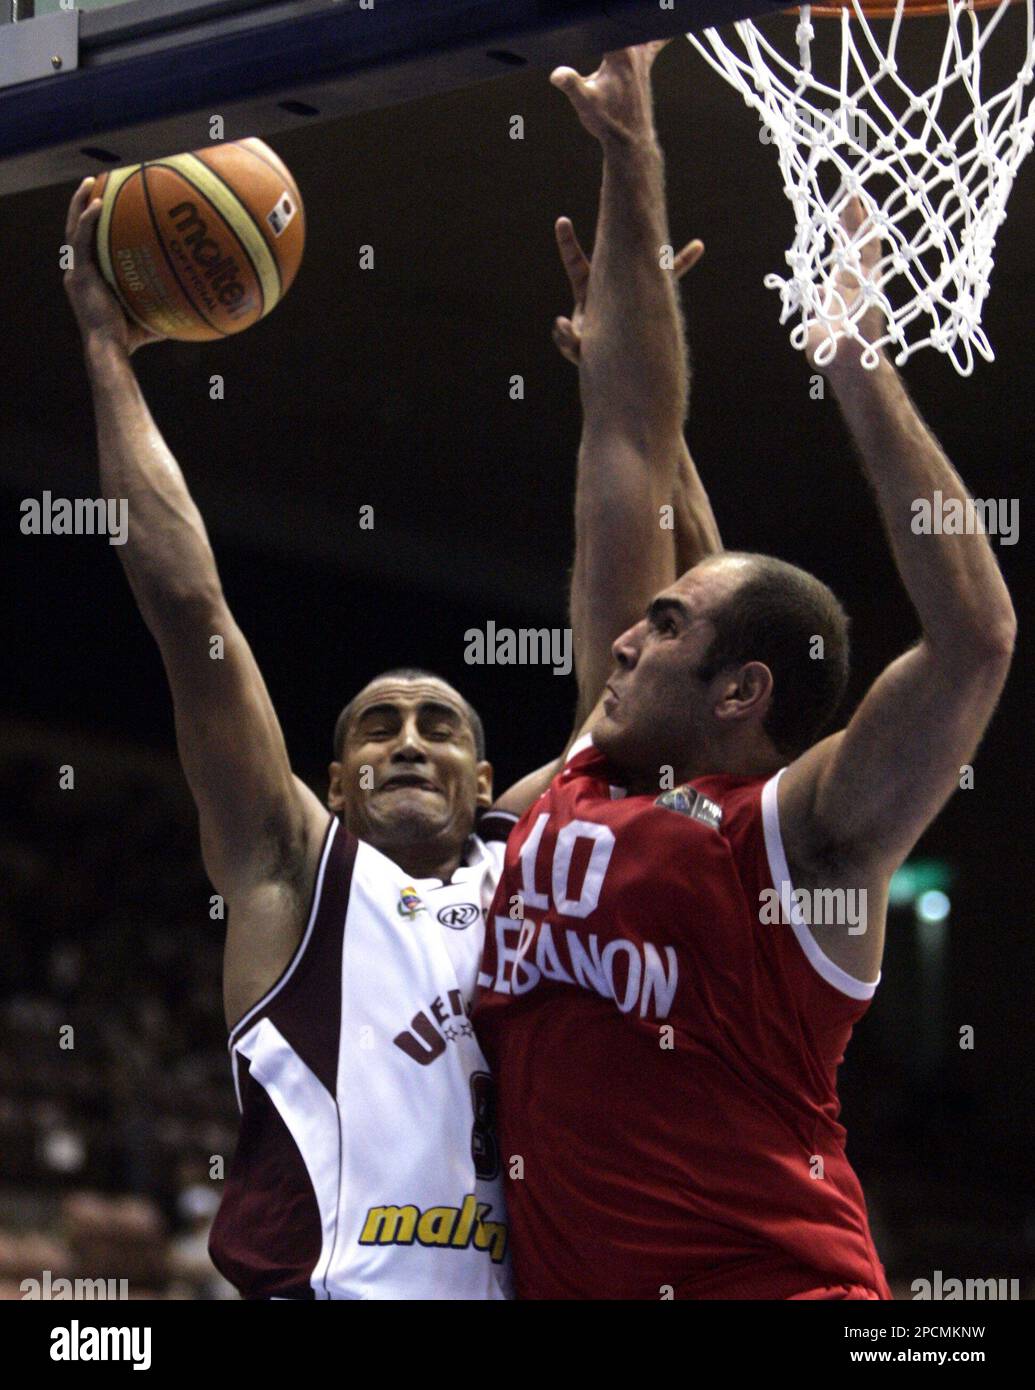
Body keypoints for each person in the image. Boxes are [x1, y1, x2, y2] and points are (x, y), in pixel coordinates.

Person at [60, 42, 717, 1299]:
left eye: (436, 721)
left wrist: (633, 202)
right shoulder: (291, 866)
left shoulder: (543, 851)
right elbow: (185, 597)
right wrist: (106, 347)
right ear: (334, 774)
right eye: (375, 725)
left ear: (486, 775)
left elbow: (635, 514)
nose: (407, 737)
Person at [473, 76, 1017, 1298]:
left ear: (740, 693)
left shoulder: (801, 851)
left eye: (663, 627)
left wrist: (857, 362)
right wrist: (627, 147)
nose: (621, 640)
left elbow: (977, 637)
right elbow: (628, 431)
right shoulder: (582, 771)